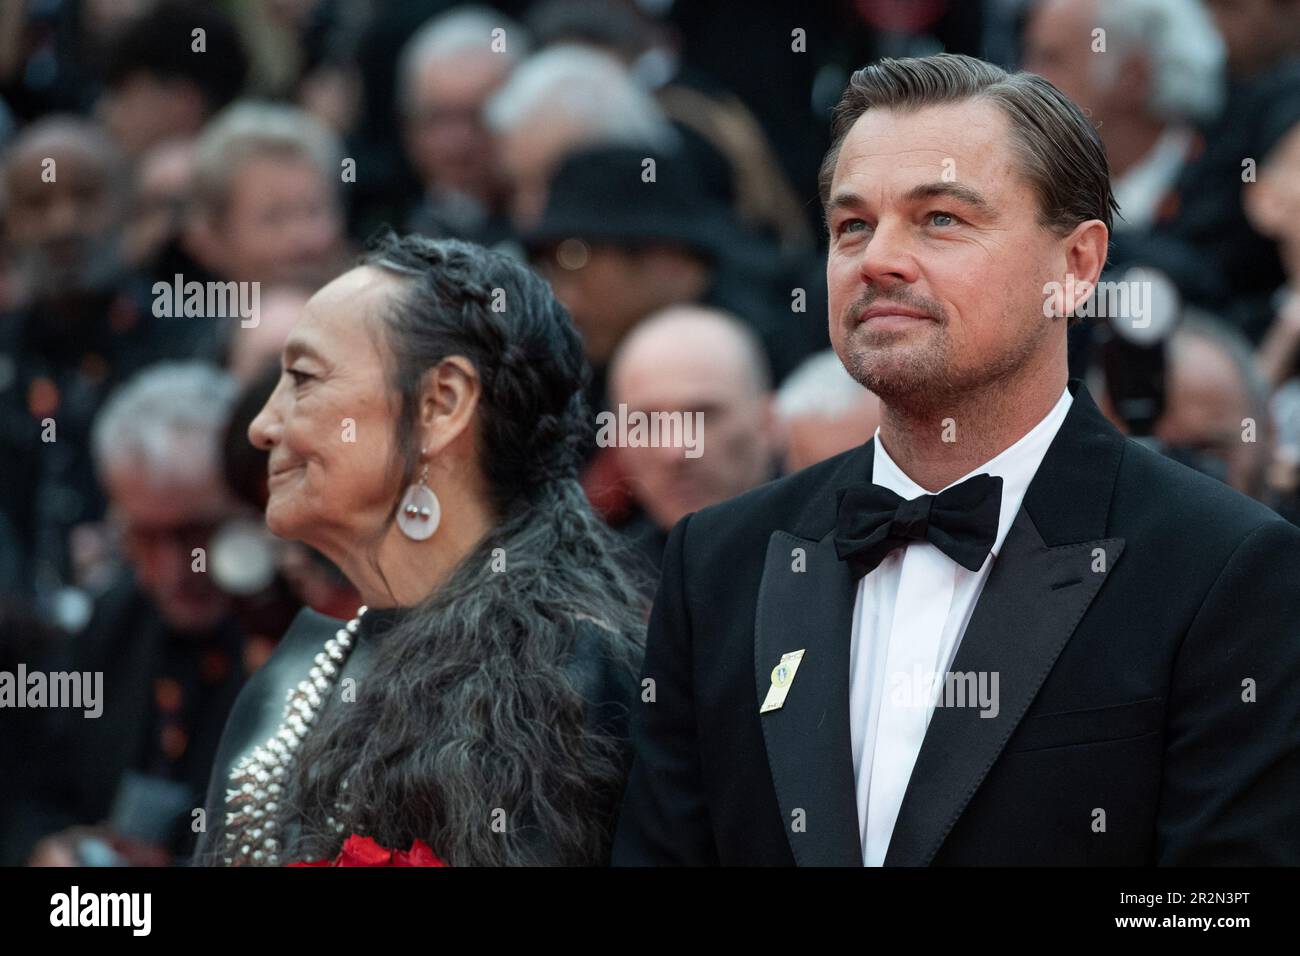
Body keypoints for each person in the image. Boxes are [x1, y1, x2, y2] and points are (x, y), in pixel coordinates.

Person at [613, 54, 1300, 866]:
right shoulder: (719, 563)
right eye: (852, 226)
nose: (878, 259)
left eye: (940, 218)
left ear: (1075, 268)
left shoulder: (1224, 567)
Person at [194, 233, 646, 867]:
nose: (263, 426)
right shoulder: (293, 677)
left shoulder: (577, 673)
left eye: (302, 378)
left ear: (442, 403)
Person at [13, 363, 251, 866]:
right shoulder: (111, 622)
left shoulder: (298, 639)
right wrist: (48, 850)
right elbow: (36, 786)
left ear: (250, 506)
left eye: (195, 532)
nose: (173, 570)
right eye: (145, 536)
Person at [607, 305, 781, 571]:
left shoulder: (839, 565)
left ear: (767, 423)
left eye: (703, 416)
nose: (674, 450)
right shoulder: (603, 588)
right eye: (646, 423)